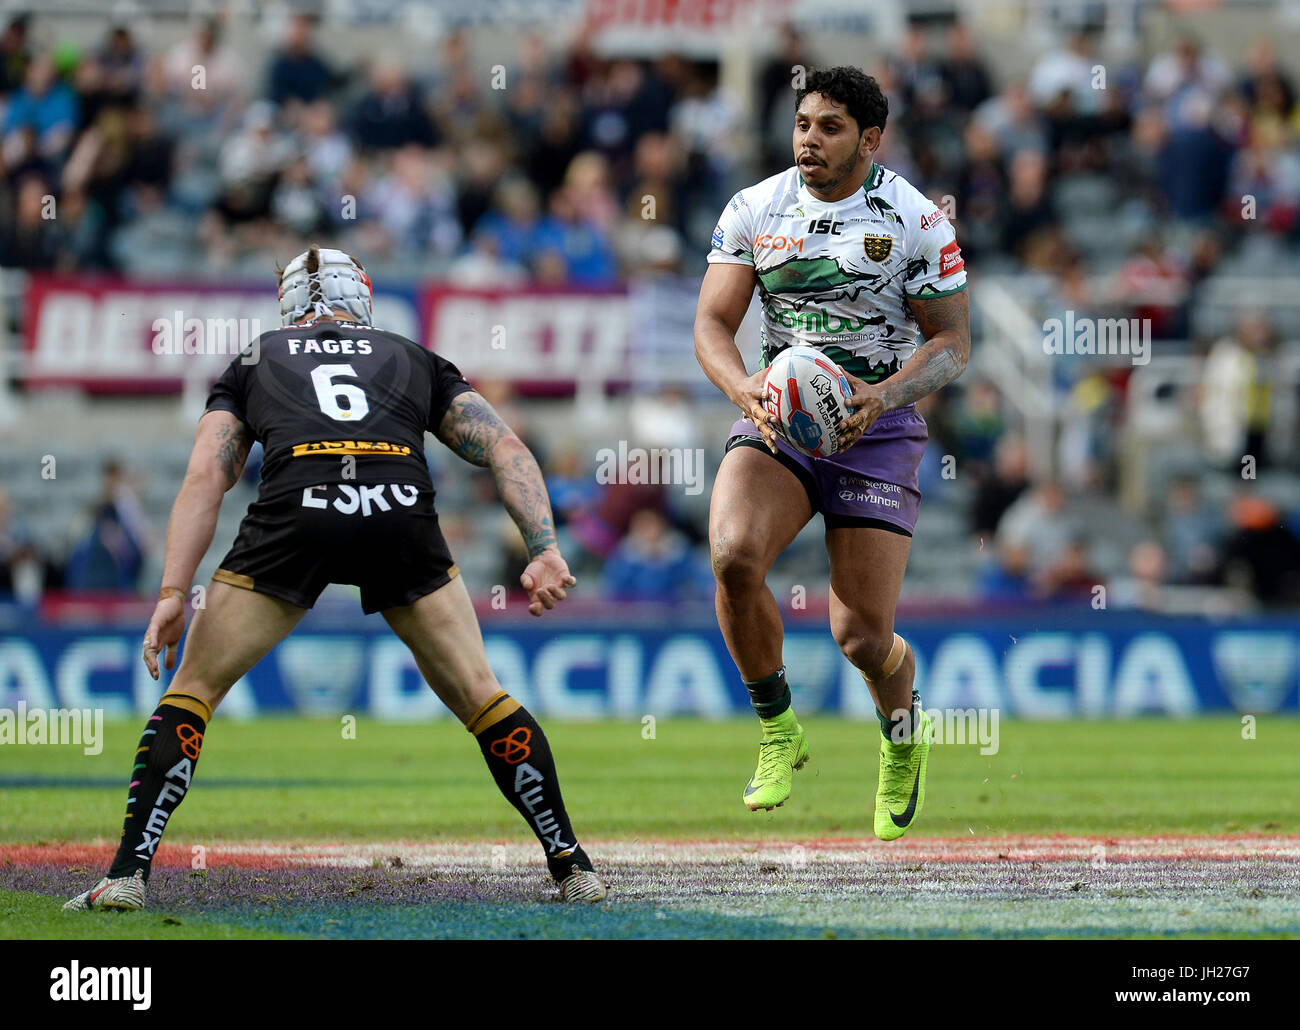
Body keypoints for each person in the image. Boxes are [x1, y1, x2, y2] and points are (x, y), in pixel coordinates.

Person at [66, 246, 605, 911]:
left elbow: (208, 475)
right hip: (399, 513)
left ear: (289, 303)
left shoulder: (256, 358)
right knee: (481, 694)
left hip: (298, 511)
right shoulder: (412, 356)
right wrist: (545, 548)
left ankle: (126, 876)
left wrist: (174, 593)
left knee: (195, 689)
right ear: (365, 295)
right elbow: (505, 447)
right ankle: (571, 864)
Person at [695, 67, 969, 839]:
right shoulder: (755, 207)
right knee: (733, 555)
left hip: (874, 428)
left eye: (830, 127)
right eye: (802, 123)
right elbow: (712, 324)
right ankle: (779, 727)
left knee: (861, 638)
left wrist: (882, 397)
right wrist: (743, 390)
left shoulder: (916, 220)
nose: (809, 139)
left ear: (870, 139)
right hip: (780, 415)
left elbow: (953, 342)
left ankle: (903, 736)